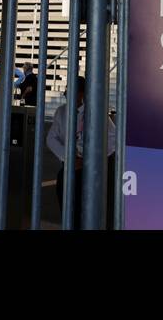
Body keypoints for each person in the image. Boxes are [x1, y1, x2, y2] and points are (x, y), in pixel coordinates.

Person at [47, 77, 116, 229]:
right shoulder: (62, 112)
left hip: (91, 172)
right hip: (70, 169)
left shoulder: (96, 113)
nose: (65, 94)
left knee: (89, 214)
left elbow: (112, 141)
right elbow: (51, 139)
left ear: (81, 94)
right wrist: (69, 158)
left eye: (68, 90)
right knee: (70, 213)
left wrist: (88, 161)